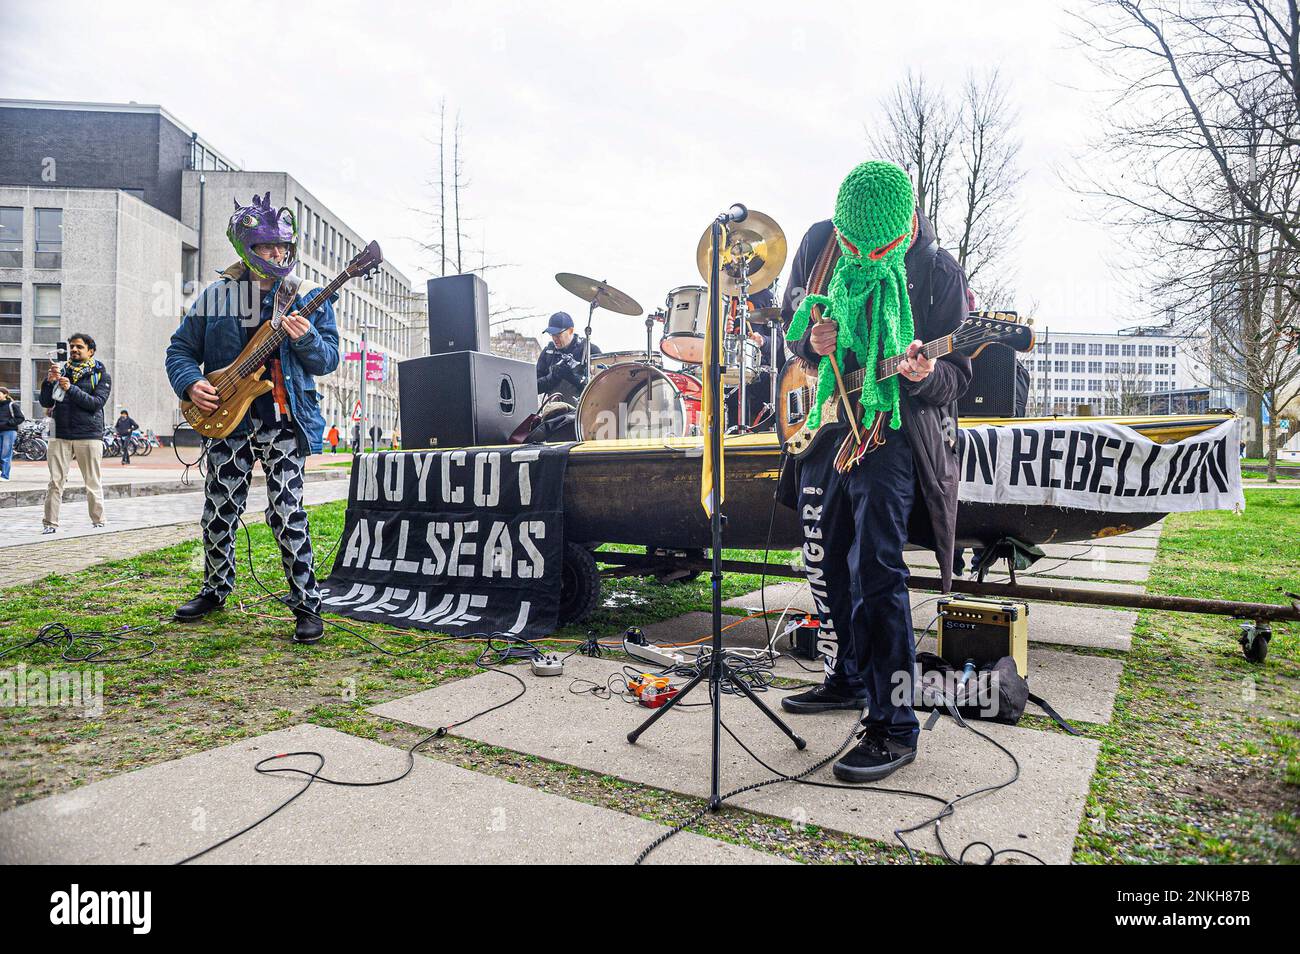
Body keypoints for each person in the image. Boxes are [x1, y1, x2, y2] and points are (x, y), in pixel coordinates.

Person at [778, 161, 971, 784]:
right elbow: (793, 330)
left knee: (876, 567)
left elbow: (956, 377)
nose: (857, 256)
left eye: (873, 249)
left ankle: (894, 725)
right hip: (831, 422)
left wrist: (924, 372)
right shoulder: (821, 242)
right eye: (849, 245)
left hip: (891, 430)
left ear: (906, 228)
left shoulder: (937, 272)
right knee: (828, 556)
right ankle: (849, 676)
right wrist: (813, 339)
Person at [165, 192, 340, 644]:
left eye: (284, 247)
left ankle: (307, 605)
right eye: (268, 247)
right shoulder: (217, 295)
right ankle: (215, 589)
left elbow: (328, 359)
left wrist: (304, 341)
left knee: (287, 512)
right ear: (247, 248)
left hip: (284, 421)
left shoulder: (310, 297)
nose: (278, 254)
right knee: (219, 511)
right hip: (228, 420)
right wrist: (190, 383)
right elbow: (180, 350)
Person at [39, 333, 112, 532]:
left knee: (92, 481)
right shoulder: (62, 371)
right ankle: (49, 524)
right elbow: (46, 402)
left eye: (79, 347)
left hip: (88, 435)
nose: (74, 350)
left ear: (91, 351)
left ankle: (99, 521)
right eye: (72, 346)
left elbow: (96, 404)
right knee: (55, 482)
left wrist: (71, 388)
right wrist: (48, 381)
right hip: (60, 433)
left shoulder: (101, 375)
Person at [535, 312, 600, 401]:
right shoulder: (548, 352)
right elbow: (534, 387)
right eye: (552, 334)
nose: (554, 338)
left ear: (571, 331)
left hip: (582, 411)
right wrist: (553, 377)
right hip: (554, 411)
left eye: (558, 334)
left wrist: (574, 378)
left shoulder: (590, 350)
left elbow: (601, 389)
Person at [0, 386, 23, 480]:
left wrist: (9, 423)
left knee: (6, 453)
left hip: (9, 432)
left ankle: (5, 476)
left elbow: (20, 418)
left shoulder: (12, 405)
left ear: (5, 394)